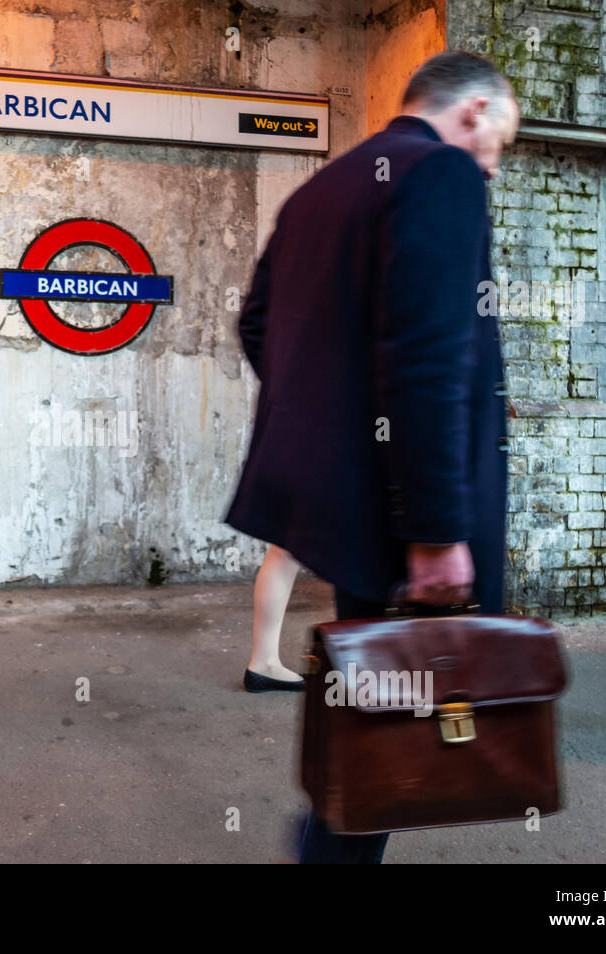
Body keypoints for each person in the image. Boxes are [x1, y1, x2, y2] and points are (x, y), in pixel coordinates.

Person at [225, 52, 522, 861]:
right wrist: (434, 532)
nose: (493, 164)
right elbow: (429, 354)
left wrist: (337, 429)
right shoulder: (442, 174)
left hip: (351, 496)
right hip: (409, 513)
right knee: (399, 702)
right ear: (474, 113)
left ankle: (331, 838)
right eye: (501, 141)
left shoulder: (322, 189)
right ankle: (330, 846)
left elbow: (257, 325)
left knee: (381, 691)